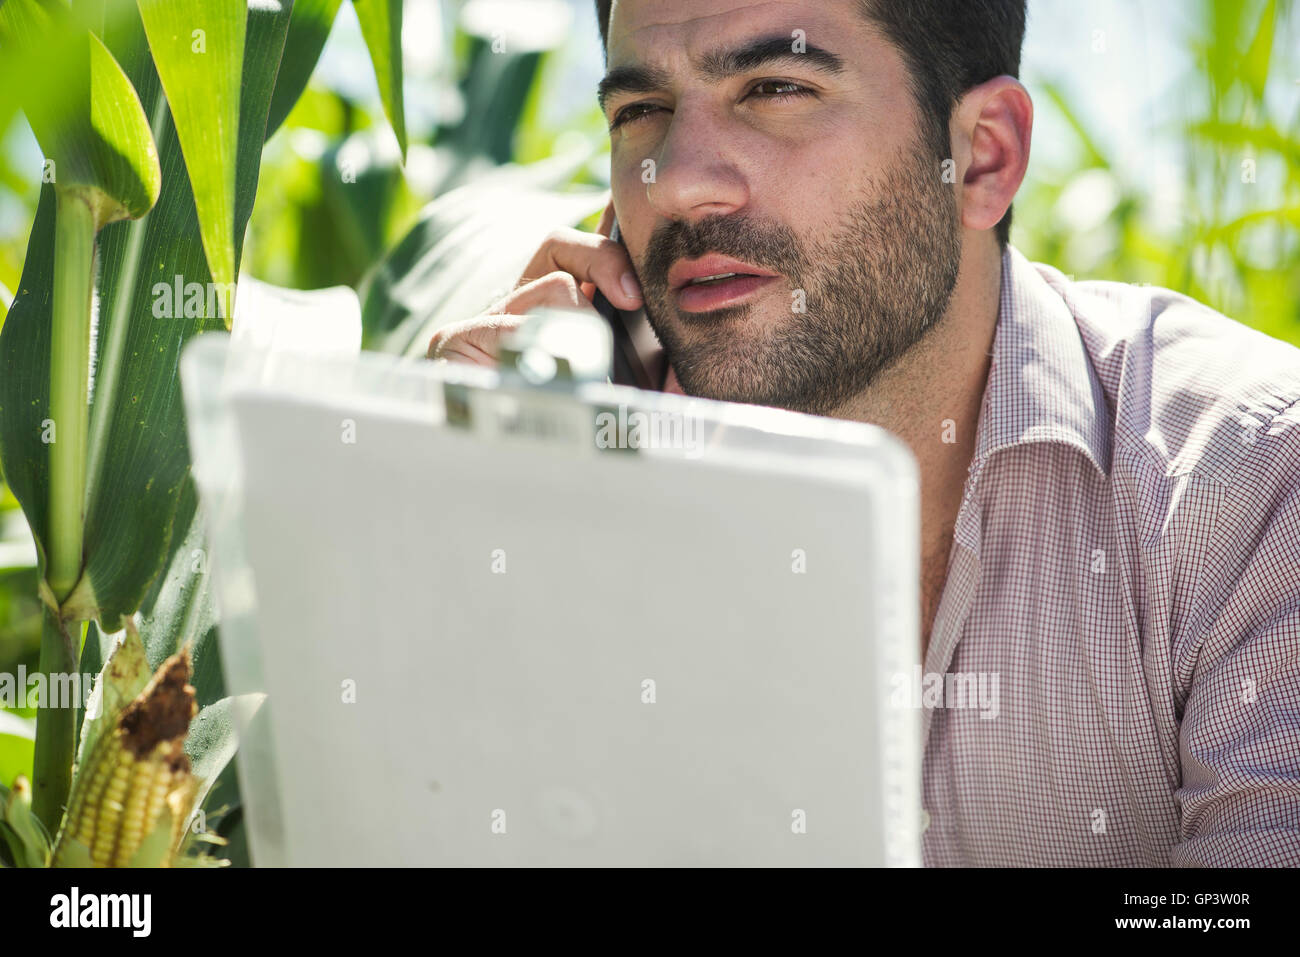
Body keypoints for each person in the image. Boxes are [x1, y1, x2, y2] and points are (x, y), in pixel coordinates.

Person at [426, 0, 1300, 866]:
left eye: (775, 87)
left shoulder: (1247, 483)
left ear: (982, 156)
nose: (680, 182)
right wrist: (426, 531)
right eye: (641, 112)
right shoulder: (585, 478)